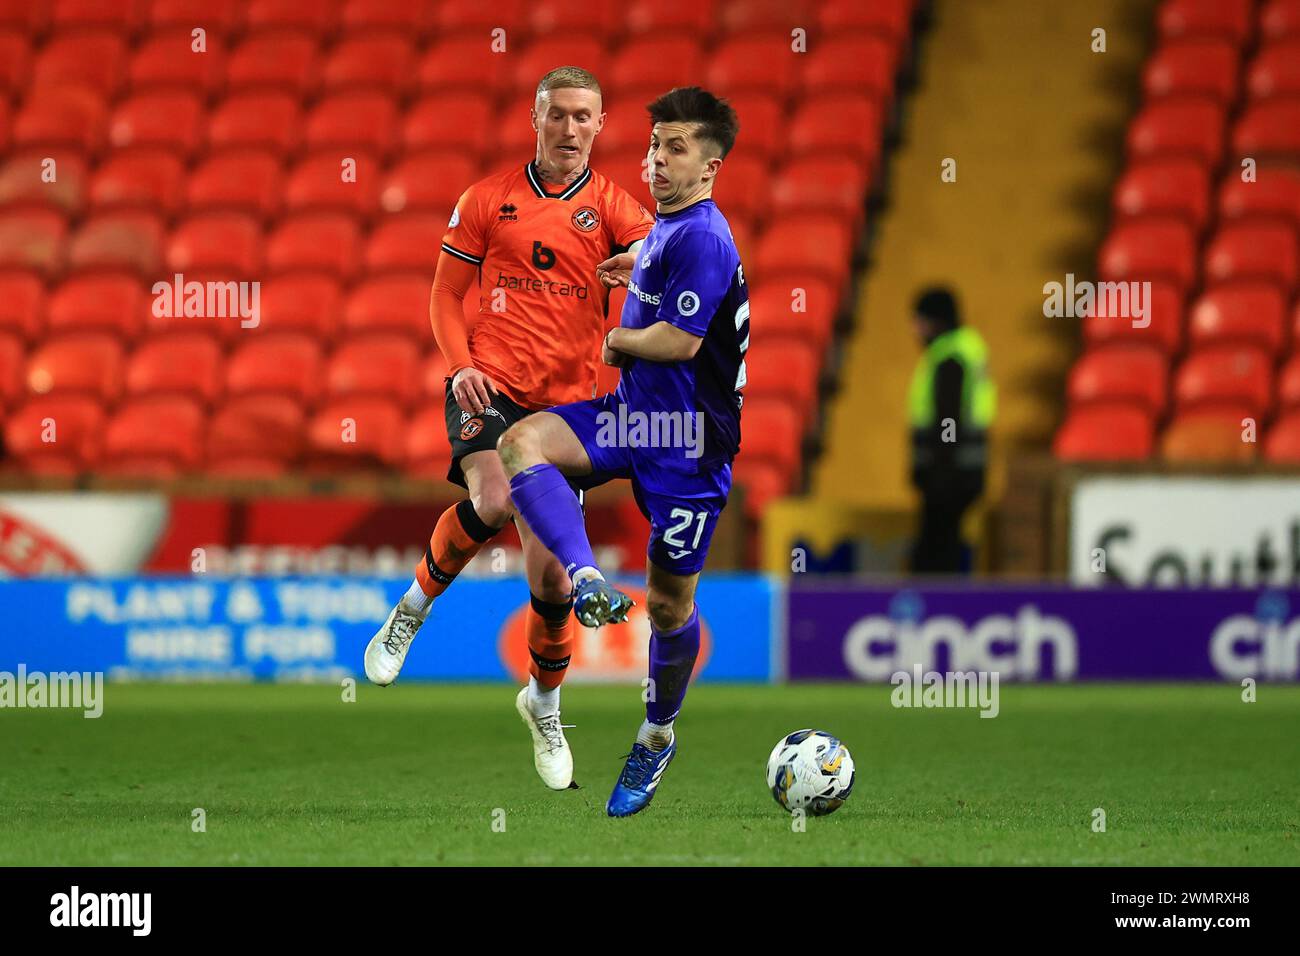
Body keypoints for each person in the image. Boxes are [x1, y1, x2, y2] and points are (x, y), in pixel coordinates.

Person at [363, 67, 654, 792]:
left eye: (584, 117)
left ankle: (544, 705)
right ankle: (412, 609)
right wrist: (460, 366)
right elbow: (444, 293)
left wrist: (640, 272)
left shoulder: (617, 207)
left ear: (601, 124)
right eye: (557, 115)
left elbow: (672, 268)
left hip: (564, 416)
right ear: (536, 117)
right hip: (488, 385)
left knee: (552, 579)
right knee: (492, 497)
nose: (569, 130)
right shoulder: (488, 199)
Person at [498, 86, 747, 817]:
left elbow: (682, 341)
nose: (657, 162)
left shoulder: (703, 234)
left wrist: (616, 337)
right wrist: (633, 276)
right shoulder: (667, 232)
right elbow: (664, 291)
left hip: (685, 447)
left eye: (676, 149)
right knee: (521, 444)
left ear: (711, 167)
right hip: (634, 418)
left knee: (670, 608)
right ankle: (583, 575)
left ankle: (657, 734)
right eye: (653, 145)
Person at [906, 287, 996, 573]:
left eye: (920, 320)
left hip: (948, 478)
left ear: (936, 321)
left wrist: (938, 475)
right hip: (961, 474)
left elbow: (948, 421)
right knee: (946, 547)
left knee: (935, 554)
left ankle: (935, 609)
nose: (915, 329)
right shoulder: (966, 350)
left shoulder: (950, 357)